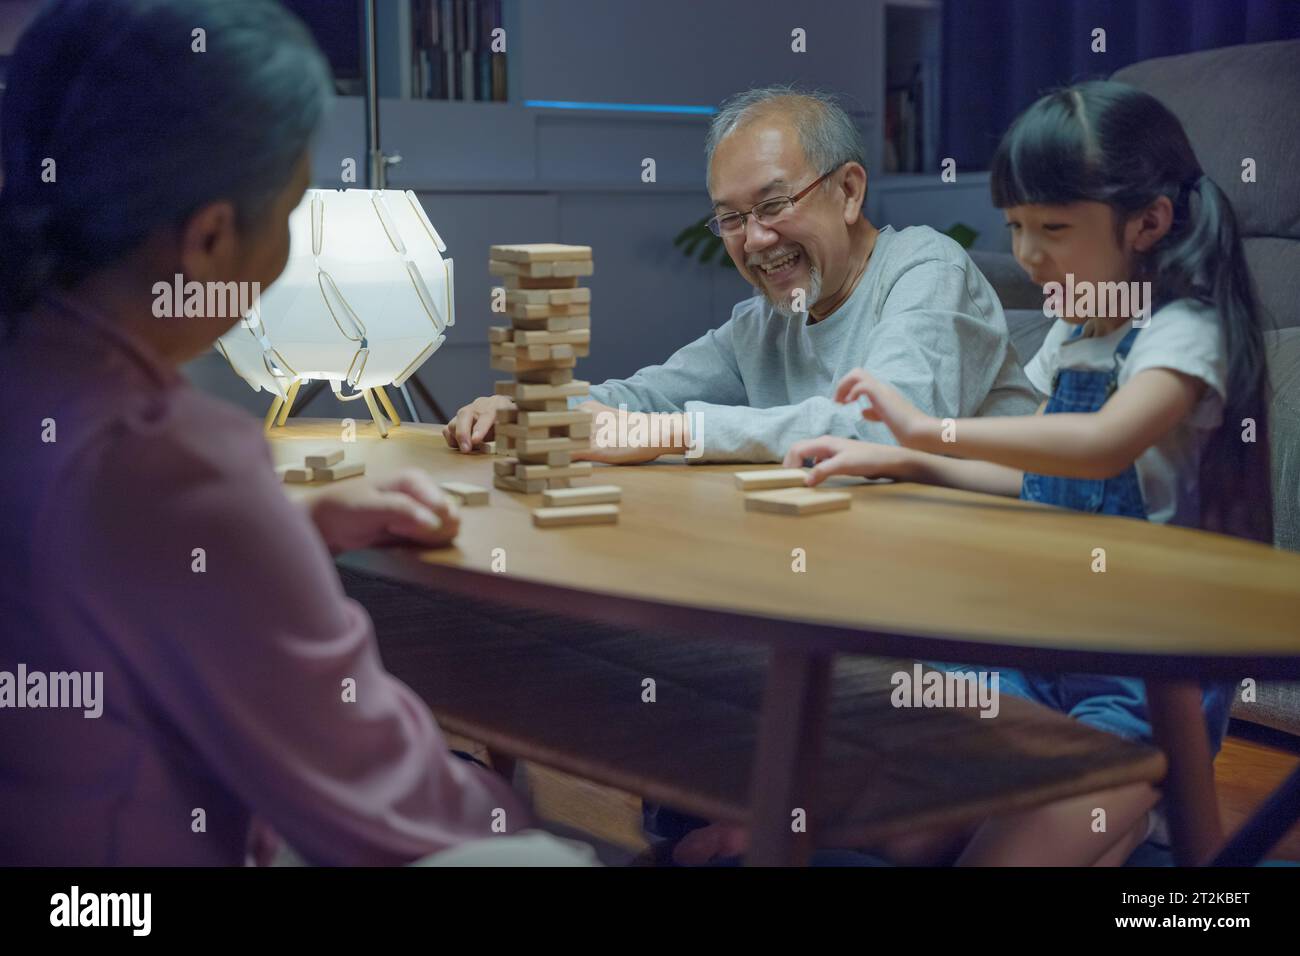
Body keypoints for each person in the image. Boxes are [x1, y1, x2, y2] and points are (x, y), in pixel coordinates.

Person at [0, 0, 591, 866]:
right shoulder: (166, 460)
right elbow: (386, 800)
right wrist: (519, 812)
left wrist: (285, 529)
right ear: (208, 240)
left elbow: (94, 571)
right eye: (290, 212)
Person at [770, 81, 1272, 866]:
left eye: (1055, 227)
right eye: (1015, 227)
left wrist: (925, 424)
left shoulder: (1185, 333)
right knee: (902, 823)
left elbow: (1101, 446)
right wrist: (905, 460)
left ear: (1149, 222)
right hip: (1042, 663)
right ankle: (1117, 827)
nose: (1029, 255)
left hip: (1138, 688)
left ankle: (1131, 808)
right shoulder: (1077, 330)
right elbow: (1043, 480)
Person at [443, 86, 1038, 463]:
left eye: (774, 205)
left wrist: (664, 435)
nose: (754, 239)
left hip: (974, 583)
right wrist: (532, 409)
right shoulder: (762, 324)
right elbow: (645, 396)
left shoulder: (925, 267)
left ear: (850, 191)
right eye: (730, 218)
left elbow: (888, 429)